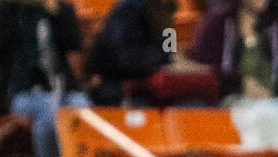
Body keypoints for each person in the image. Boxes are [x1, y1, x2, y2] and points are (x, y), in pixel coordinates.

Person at [0, 0, 90, 157]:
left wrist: (55, 13)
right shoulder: (1, 7)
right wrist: (20, 9)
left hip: (63, 90)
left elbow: (73, 44)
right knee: (49, 111)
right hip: (20, 93)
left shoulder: (60, 7)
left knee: (83, 107)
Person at [86, 0, 219, 106]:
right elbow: (124, 57)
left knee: (192, 105)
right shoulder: (129, 8)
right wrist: (164, 60)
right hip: (115, 84)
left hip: (150, 83)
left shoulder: (168, 9)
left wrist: (175, 59)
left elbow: (168, 49)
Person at [190, 0, 278, 102]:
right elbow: (206, 72)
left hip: (275, 101)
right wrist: (240, 83)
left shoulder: (276, 25)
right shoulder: (218, 23)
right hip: (232, 101)